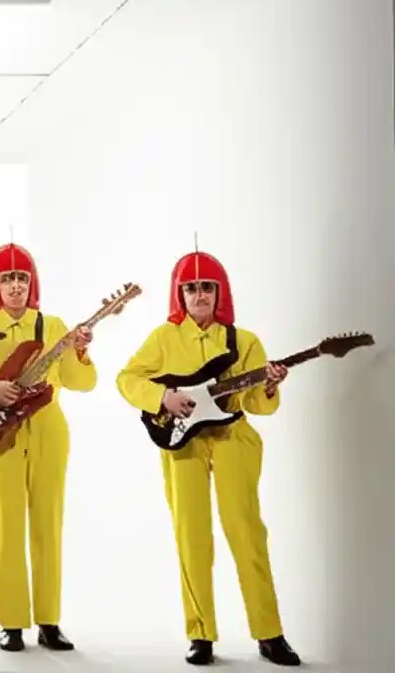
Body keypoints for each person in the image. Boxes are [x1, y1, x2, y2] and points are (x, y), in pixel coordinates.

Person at [115, 251, 300, 667]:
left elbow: (259, 406)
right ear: (180, 293)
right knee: (191, 536)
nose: (199, 295)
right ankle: (200, 633)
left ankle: (269, 633)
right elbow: (126, 378)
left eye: (207, 287)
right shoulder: (164, 338)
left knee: (247, 531)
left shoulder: (245, 341)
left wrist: (269, 386)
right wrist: (162, 396)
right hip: (183, 446)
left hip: (233, 437)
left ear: (221, 293)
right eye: (191, 287)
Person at [0, 243, 95, 653]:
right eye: (7, 278)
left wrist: (79, 350)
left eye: (22, 277)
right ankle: (11, 623)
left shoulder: (53, 324)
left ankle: (49, 621)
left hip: (48, 429)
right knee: (5, 526)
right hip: (0, 434)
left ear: (32, 283)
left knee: (48, 524)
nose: (15, 286)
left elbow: (81, 383)